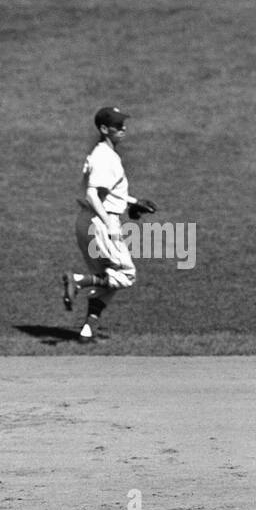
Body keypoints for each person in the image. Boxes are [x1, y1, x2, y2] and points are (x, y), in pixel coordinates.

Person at [61, 106, 143, 343]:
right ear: (104, 129)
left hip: (90, 221)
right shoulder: (104, 157)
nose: (123, 128)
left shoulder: (103, 154)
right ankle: (78, 280)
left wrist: (133, 203)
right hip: (100, 223)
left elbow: (106, 192)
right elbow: (92, 195)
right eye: (117, 126)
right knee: (126, 275)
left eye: (123, 124)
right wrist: (110, 225)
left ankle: (88, 329)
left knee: (109, 279)